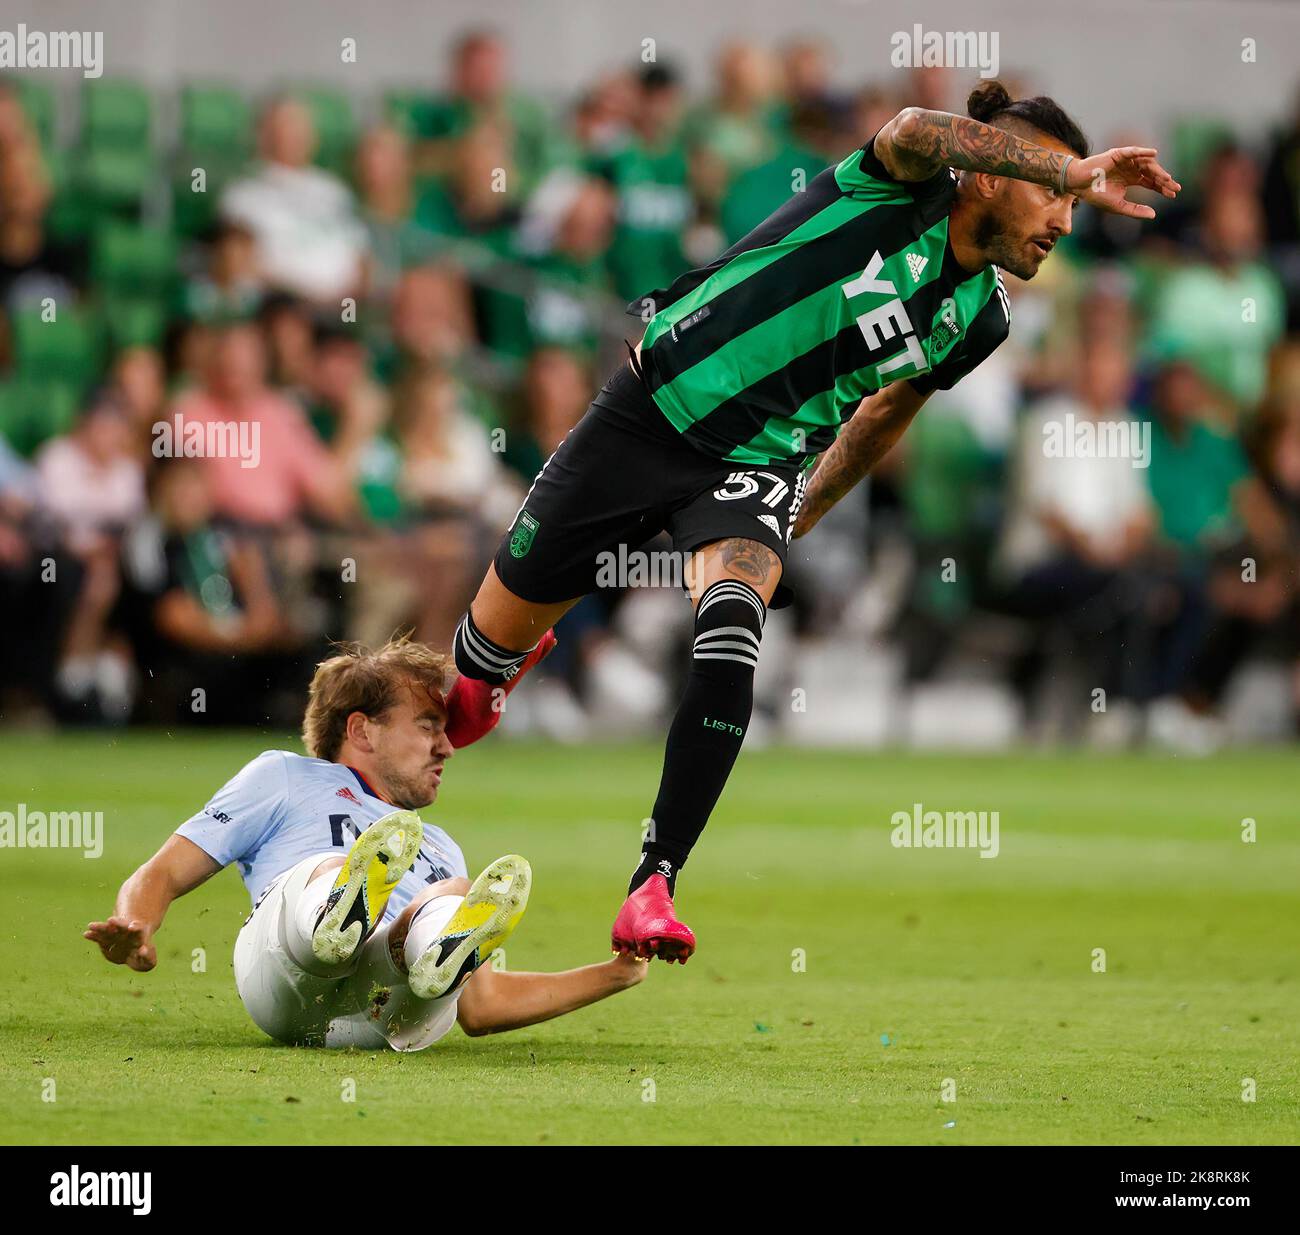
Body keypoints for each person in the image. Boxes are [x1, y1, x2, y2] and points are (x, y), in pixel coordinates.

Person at [442, 81, 1180, 964]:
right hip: (653, 409)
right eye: (1051, 193)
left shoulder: (980, 317)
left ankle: (654, 881)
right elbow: (915, 125)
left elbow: (883, 414)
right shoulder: (902, 180)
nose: (1065, 216)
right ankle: (468, 690)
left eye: (1068, 196)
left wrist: (796, 512)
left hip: (759, 465)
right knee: (465, 698)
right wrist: (1072, 166)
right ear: (987, 175)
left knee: (730, 640)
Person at [85, 635, 647, 1049]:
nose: (446, 748)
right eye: (428, 725)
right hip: (283, 977)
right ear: (361, 730)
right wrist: (137, 923)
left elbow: (481, 1006)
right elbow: (161, 873)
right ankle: (336, 917)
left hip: (383, 1014)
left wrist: (615, 973)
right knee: (340, 870)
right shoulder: (285, 777)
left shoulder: (441, 845)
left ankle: (410, 944)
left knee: (451, 890)